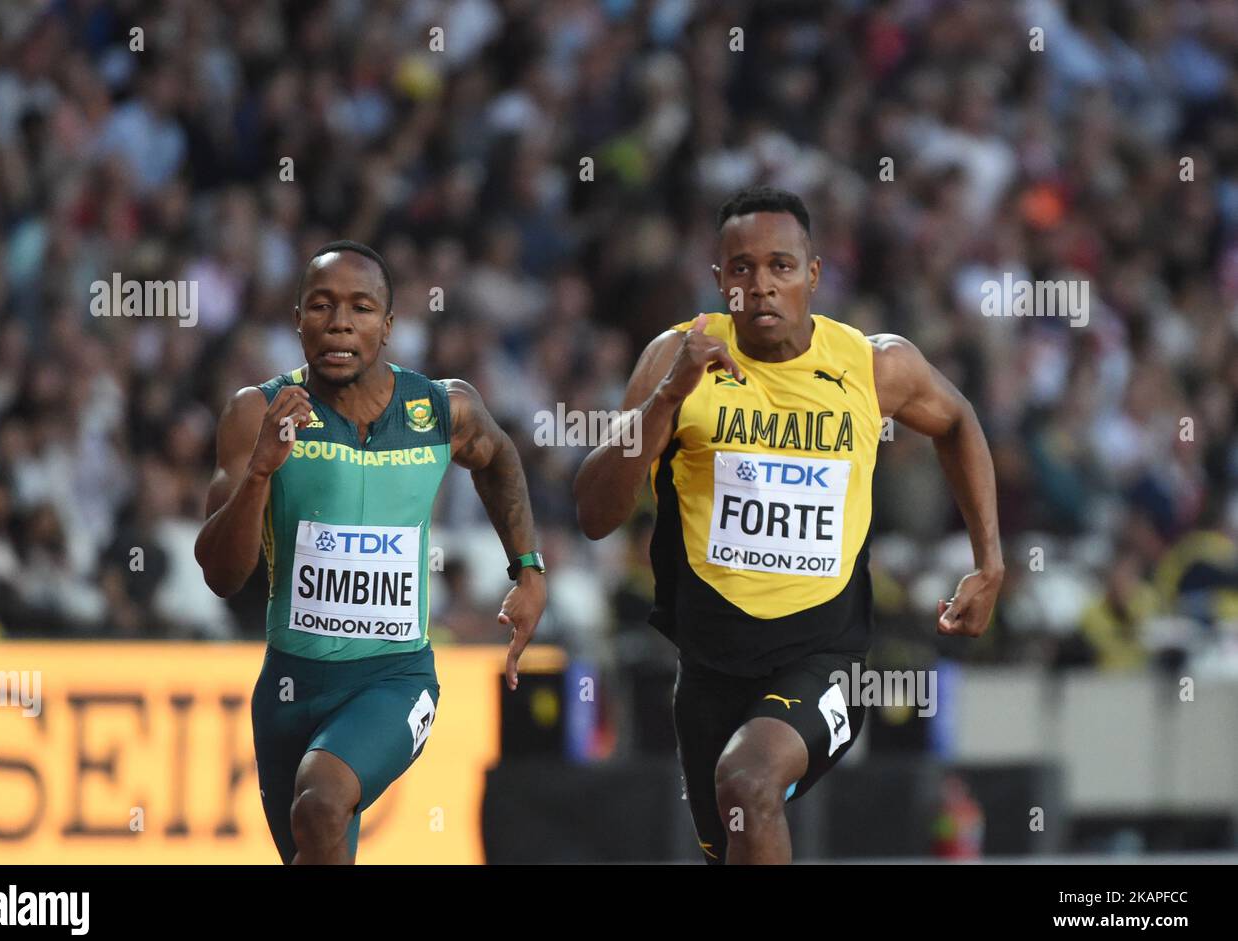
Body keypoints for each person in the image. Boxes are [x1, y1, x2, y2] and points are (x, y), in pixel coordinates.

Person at [573, 187, 1003, 864]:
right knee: (732, 835)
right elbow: (595, 514)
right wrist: (668, 397)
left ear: (814, 274)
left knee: (748, 782)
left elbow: (957, 421)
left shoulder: (871, 364)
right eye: (741, 268)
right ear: (718, 281)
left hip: (823, 657)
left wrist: (989, 561)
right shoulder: (675, 359)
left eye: (780, 265)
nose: (761, 285)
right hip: (709, 666)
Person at [195, 240, 546, 863]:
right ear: (296, 320)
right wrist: (258, 473)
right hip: (288, 689)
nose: (339, 323)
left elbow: (499, 459)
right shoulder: (258, 413)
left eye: (360, 308)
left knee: (322, 801)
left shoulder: (442, 408)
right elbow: (223, 575)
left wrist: (528, 569)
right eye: (321, 306)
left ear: (388, 325)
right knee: (316, 839)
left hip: (395, 679)